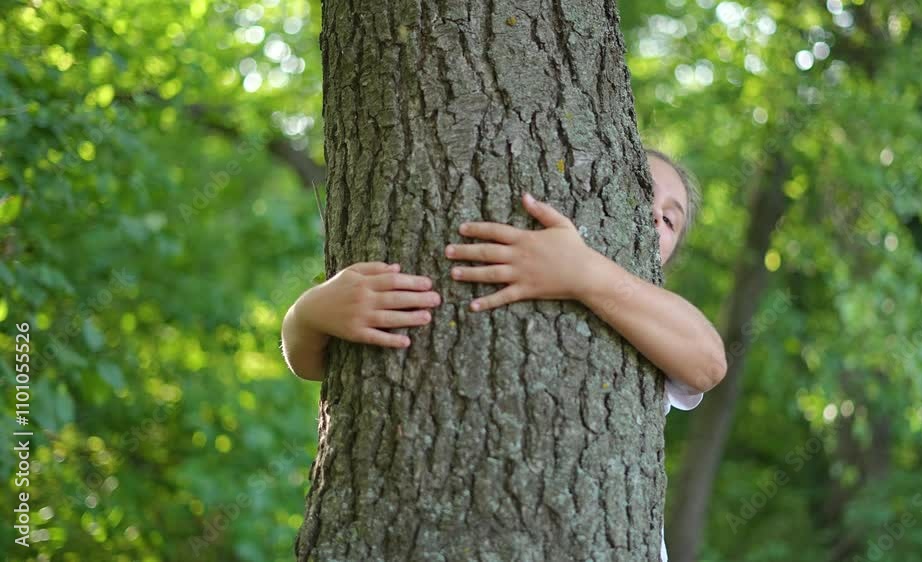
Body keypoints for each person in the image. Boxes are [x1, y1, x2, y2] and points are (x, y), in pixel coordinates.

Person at [280, 149, 727, 561]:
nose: (653, 215)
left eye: (670, 220)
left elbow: (708, 363)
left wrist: (584, 273)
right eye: (643, 191)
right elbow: (319, 363)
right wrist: (305, 316)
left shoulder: (654, 324)